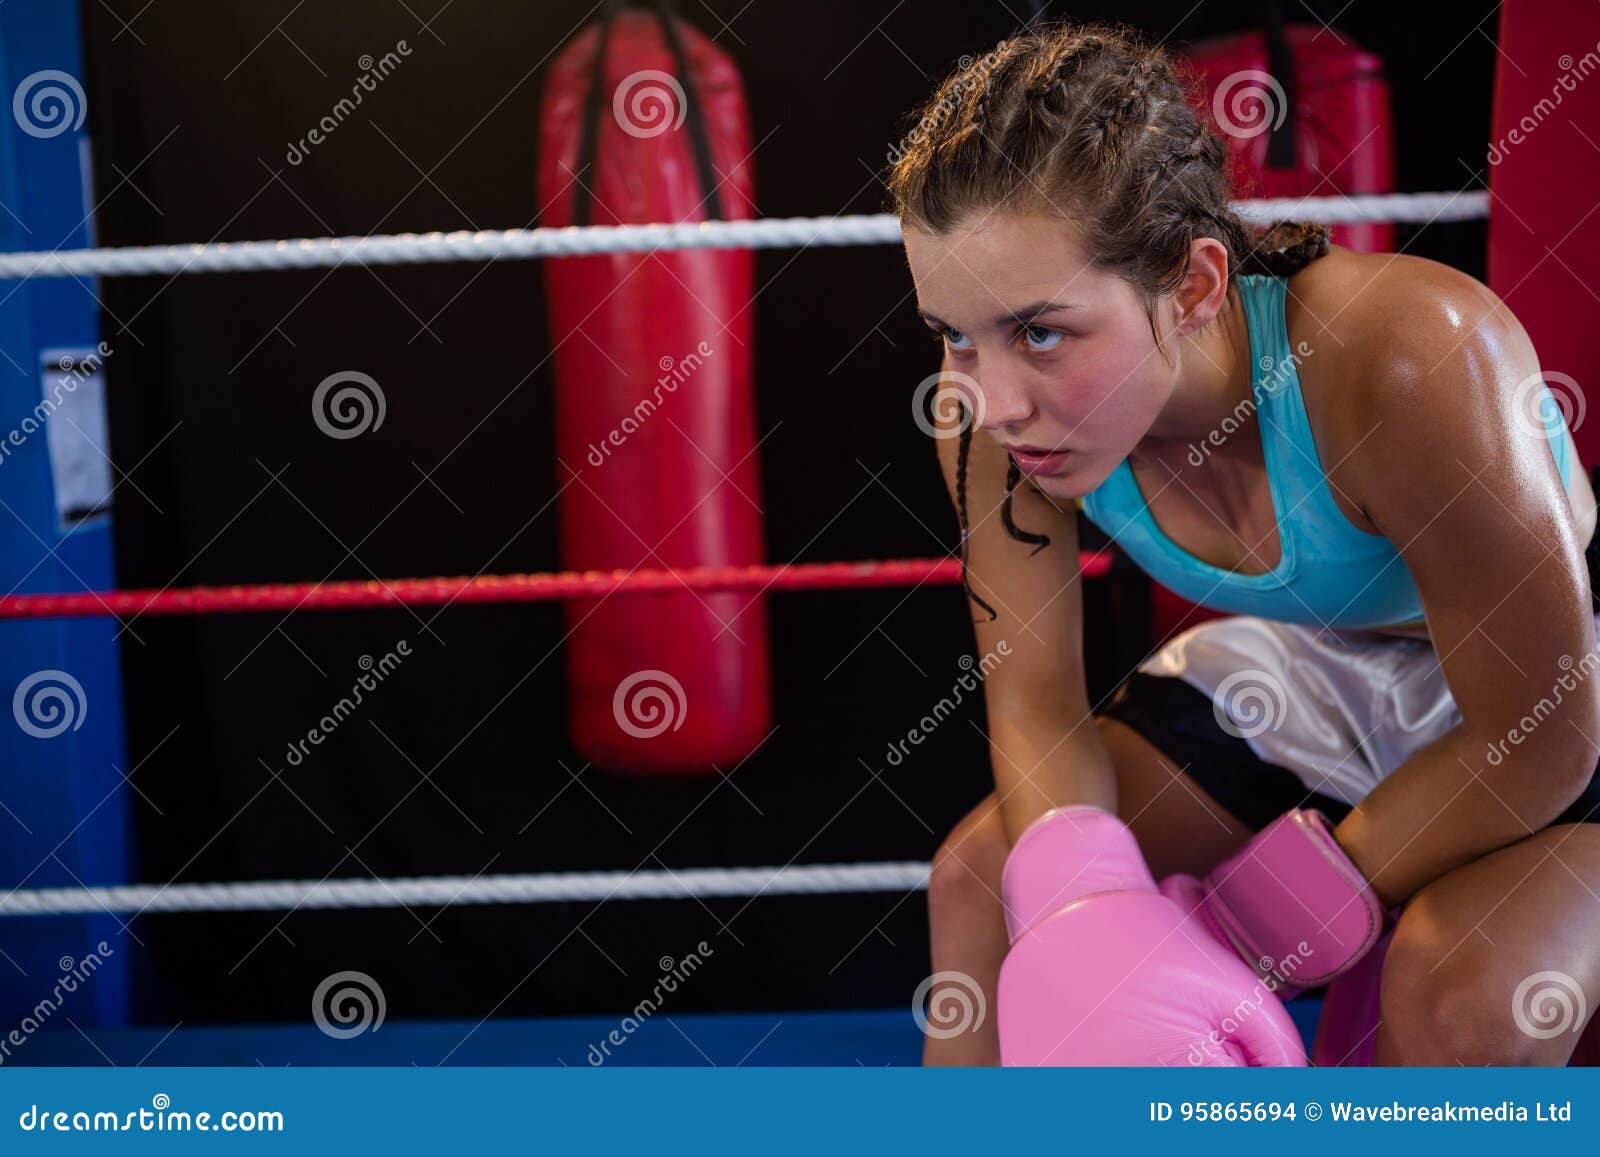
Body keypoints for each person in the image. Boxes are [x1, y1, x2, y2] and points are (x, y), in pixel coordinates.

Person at [889, 22, 1600, 1066]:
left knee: (1464, 996)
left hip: (1556, 687)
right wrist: (1091, 912)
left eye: (1040, 330)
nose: (991, 397)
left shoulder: (1403, 358)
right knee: (984, 882)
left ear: (1191, 286)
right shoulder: (991, 419)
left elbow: (1543, 733)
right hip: (1325, 670)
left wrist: (1265, 915)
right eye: (954, 333)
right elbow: (1035, 704)